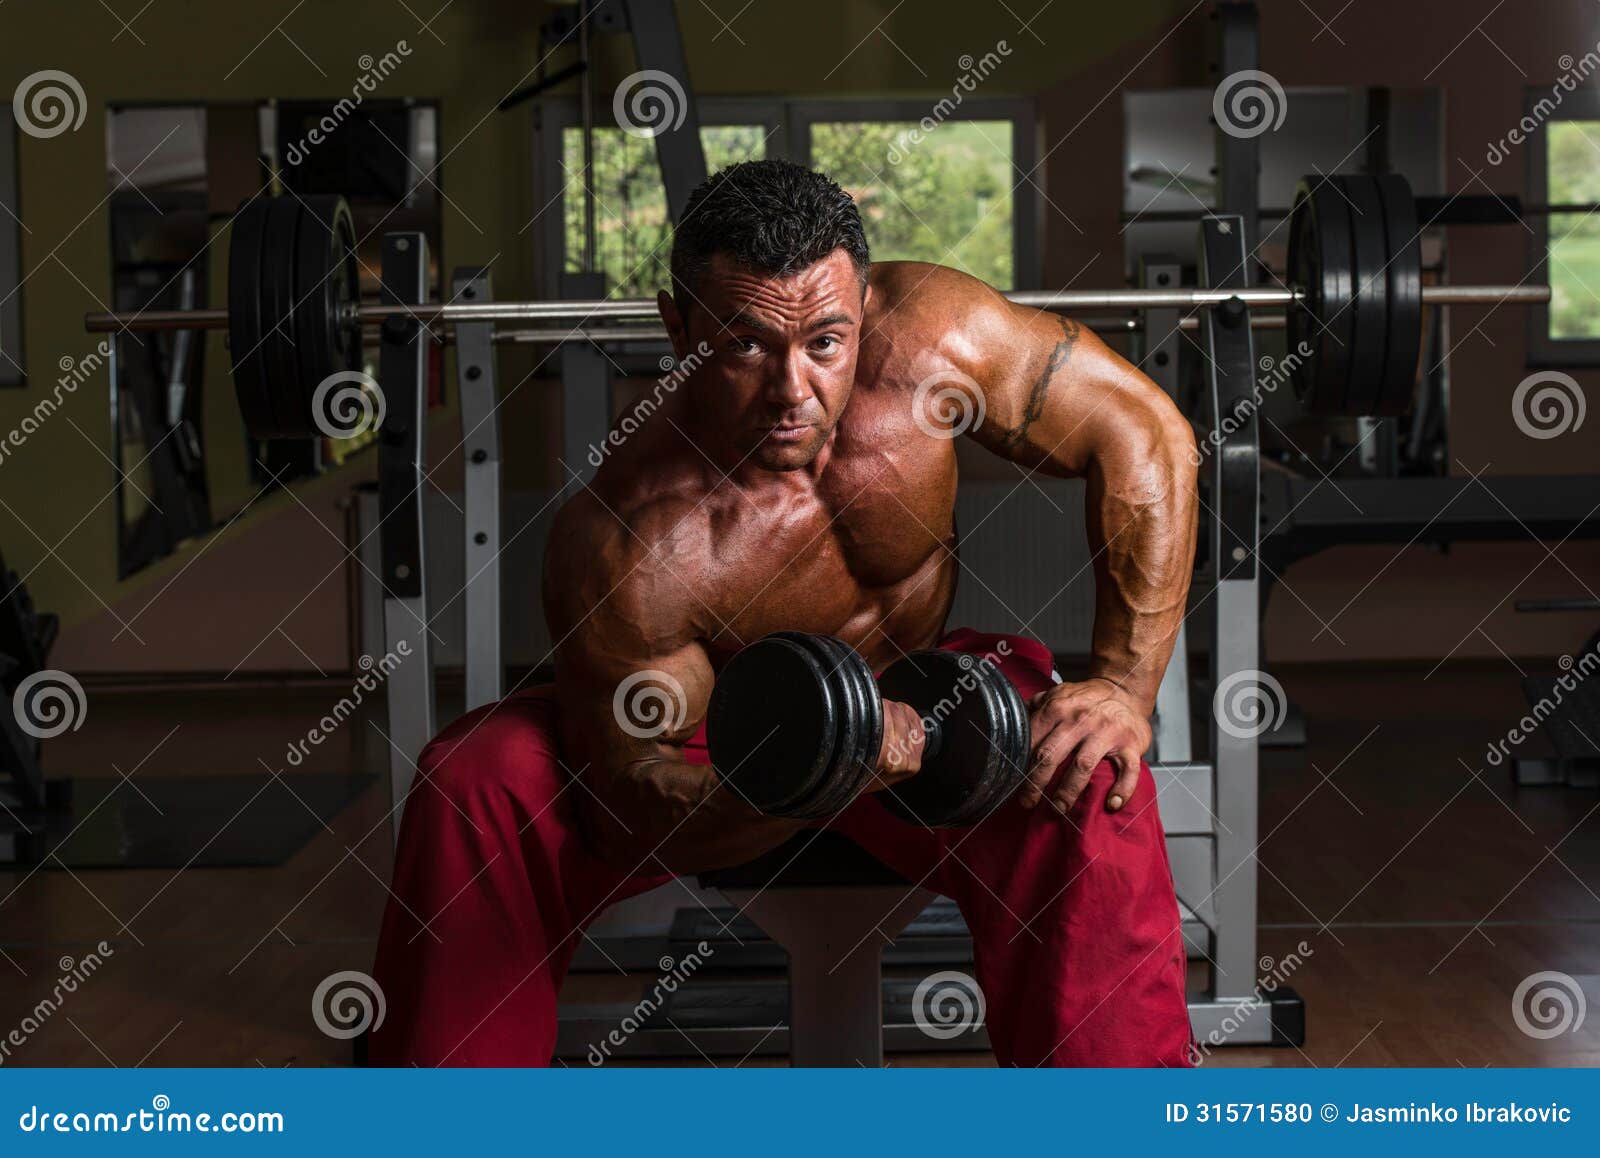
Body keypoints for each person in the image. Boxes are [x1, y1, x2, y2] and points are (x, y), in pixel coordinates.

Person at [371, 159, 1199, 1067]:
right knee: (476, 783)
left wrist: (1123, 686)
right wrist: (828, 764)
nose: (792, 390)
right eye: (745, 345)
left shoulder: (935, 341)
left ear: (867, 303)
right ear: (677, 326)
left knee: (1091, 774)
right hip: (714, 742)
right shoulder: (626, 540)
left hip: (914, 700)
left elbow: (1142, 431)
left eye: (826, 344)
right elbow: (630, 808)